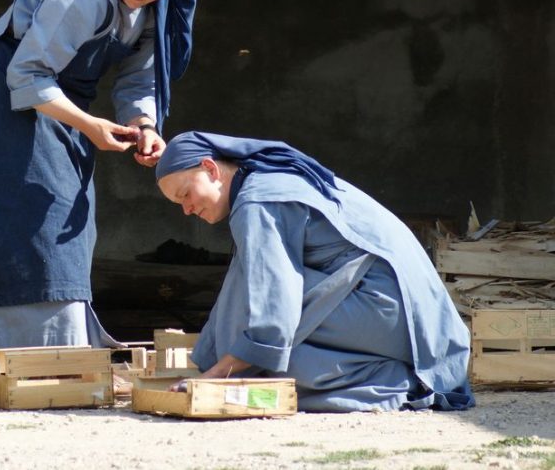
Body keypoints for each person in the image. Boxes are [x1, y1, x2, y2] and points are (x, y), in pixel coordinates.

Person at [0, 0, 198, 395]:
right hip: (8, 95)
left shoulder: (157, 6)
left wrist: (145, 126)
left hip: (61, 99)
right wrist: (91, 126)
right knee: (17, 220)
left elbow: (139, 79)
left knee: (63, 218)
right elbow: (27, 75)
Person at [154, 131, 475, 412]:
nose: (187, 209)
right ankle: (399, 372)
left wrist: (214, 376)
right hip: (415, 317)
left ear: (210, 169)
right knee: (253, 344)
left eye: (185, 195)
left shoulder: (257, 201)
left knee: (271, 373)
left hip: (397, 313)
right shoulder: (266, 183)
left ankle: (404, 382)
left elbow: (274, 308)